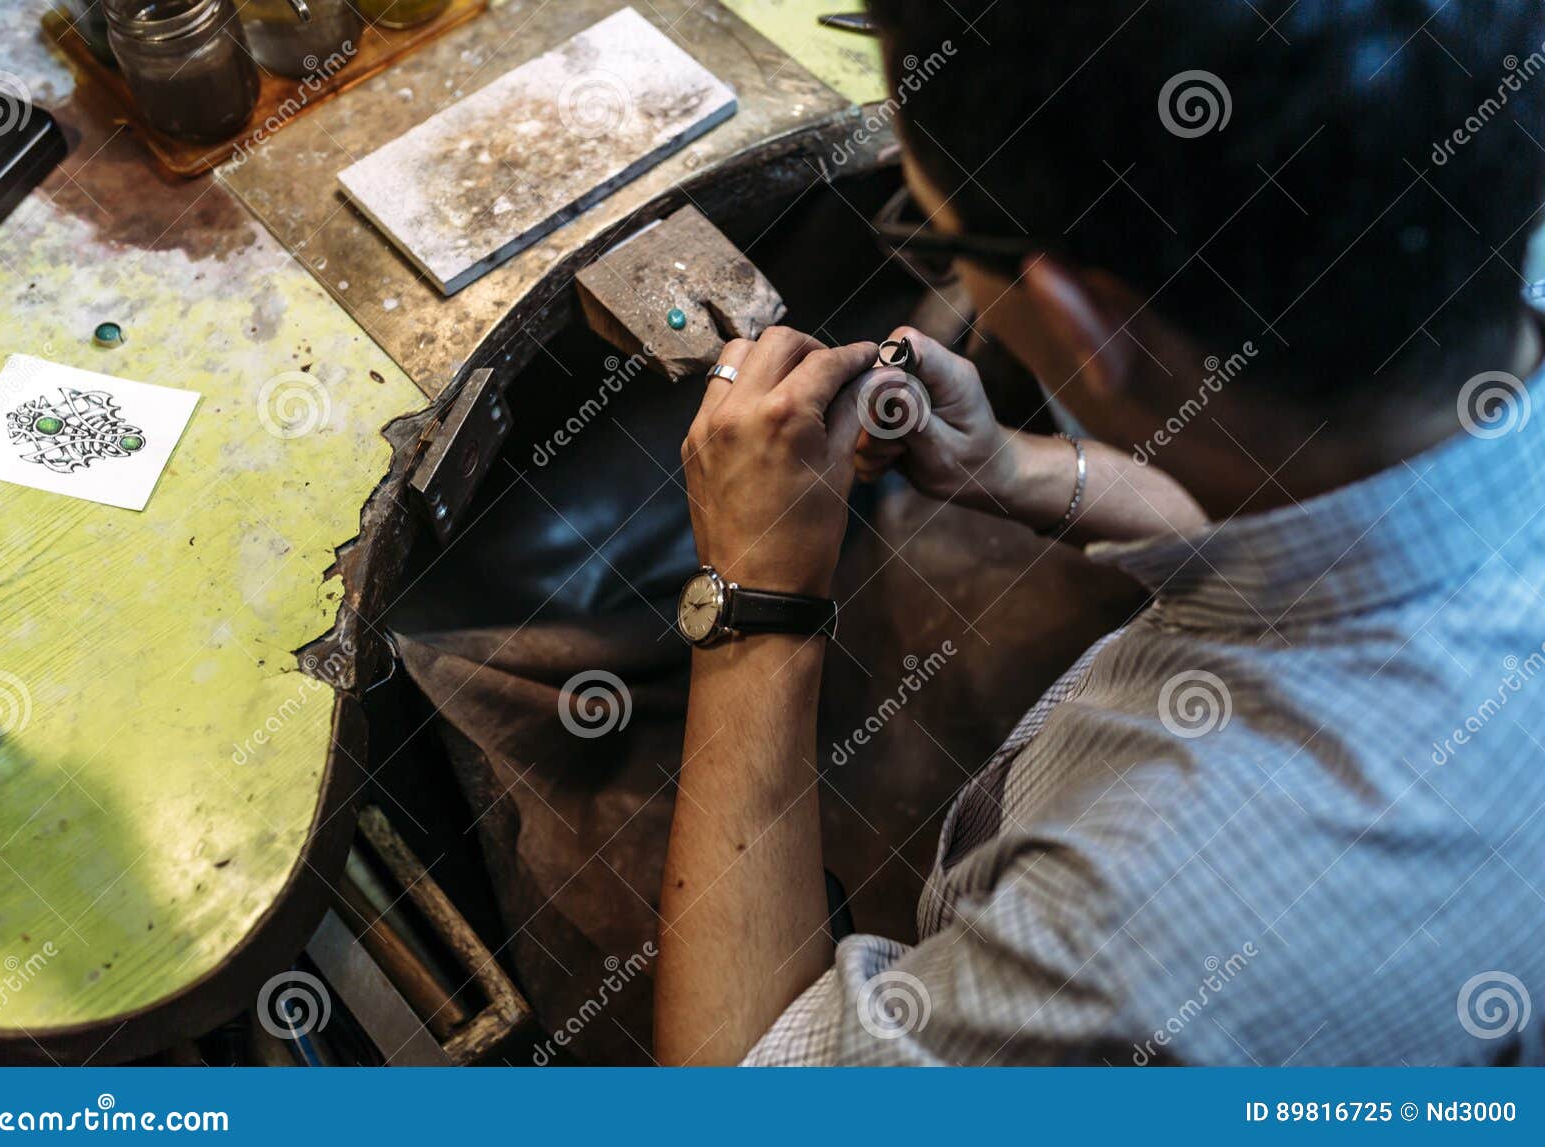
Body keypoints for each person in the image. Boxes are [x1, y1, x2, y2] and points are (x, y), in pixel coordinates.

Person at [653, 0, 1545, 1065]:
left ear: (1084, 327)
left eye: (937, 229)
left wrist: (756, 598)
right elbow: (1333, 535)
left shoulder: (1139, 935)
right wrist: (1019, 468)